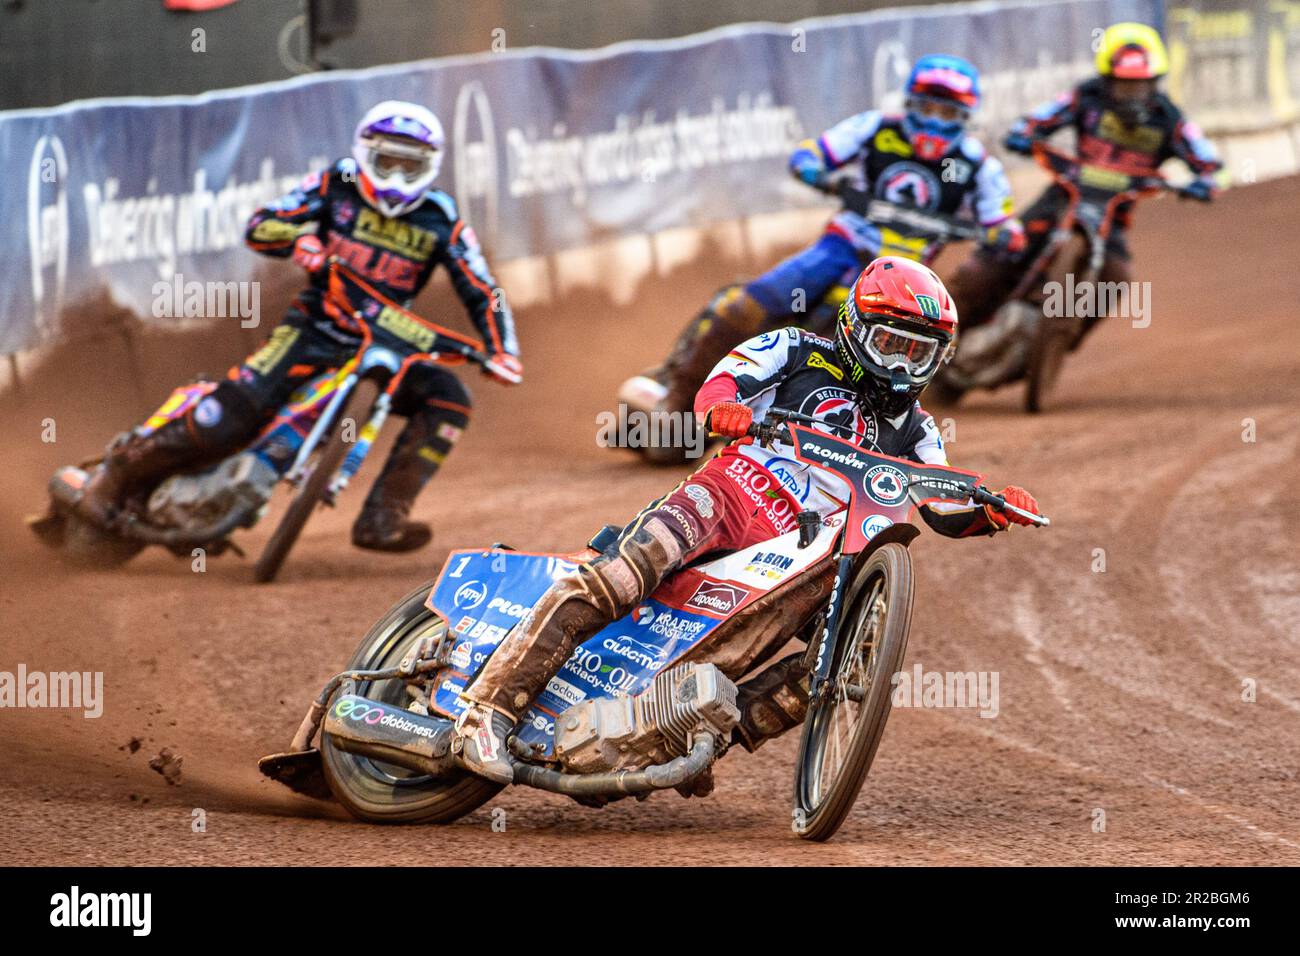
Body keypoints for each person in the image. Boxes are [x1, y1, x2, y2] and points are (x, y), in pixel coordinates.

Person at [451, 257, 1041, 782]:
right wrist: (723, 410)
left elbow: (943, 504)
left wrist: (992, 509)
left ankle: (688, 736)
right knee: (622, 576)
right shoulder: (796, 349)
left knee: (832, 668)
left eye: (920, 353)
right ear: (858, 330)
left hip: (804, 554)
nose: (903, 366)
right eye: (892, 344)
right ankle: (487, 711)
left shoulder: (919, 428)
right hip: (731, 495)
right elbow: (724, 380)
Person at [77, 101, 522, 552]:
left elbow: (482, 288)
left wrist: (502, 349)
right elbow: (260, 225)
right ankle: (120, 473)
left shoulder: (442, 219)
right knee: (229, 418)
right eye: (388, 162)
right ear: (366, 154)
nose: (397, 178)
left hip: (387, 344)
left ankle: (383, 517)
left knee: (450, 398)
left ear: (432, 167)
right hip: (313, 328)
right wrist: (298, 238)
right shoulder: (336, 183)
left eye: (412, 167)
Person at [654, 54, 1024, 423]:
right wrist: (819, 173)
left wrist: (1006, 233)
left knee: (870, 359)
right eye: (927, 107)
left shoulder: (977, 165)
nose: (934, 120)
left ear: (962, 118)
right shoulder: (877, 128)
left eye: (946, 113)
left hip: (897, 279)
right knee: (748, 306)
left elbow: (1001, 219)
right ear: (910, 103)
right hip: (841, 247)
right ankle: (679, 399)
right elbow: (811, 153)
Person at [947, 22, 1223, 337]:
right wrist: (1023, 134)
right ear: (1106, 81)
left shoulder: (1169, 119)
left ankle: (1063, 340)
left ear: (1155, 83)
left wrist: (1206, 181)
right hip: (1062, 197)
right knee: (1002, 249)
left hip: (1113, 218)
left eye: (1141, 87)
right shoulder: (1085, 97)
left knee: (1116, 279)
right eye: (1123, 86)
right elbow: (1039, 119)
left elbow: (1210, 162)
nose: (1132, 96)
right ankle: (942, 319)